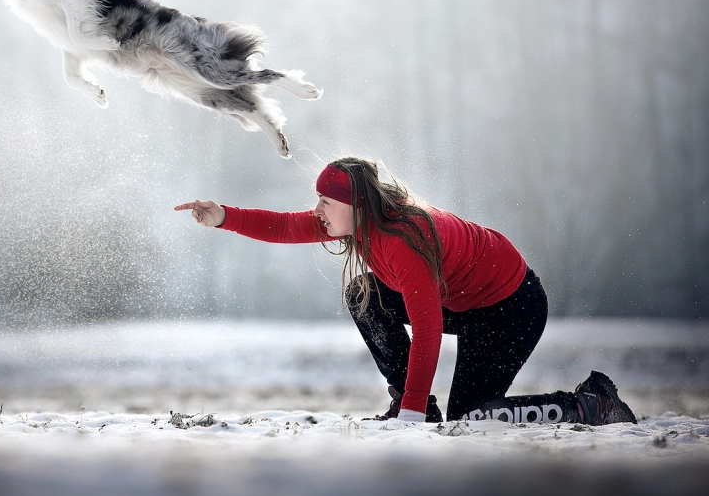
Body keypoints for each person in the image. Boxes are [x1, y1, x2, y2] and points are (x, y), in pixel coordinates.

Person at [174, 157, 637, 425]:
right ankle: (410, 401)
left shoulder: (400, 241)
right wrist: (224, 216)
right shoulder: (362, 221)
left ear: (357, 205)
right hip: (466, 301)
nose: (316, 210)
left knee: (472, 421)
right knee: (363, 293)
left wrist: (415, 413)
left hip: (510, 307)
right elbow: (284, 226)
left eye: (325, 202)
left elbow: (429, 330)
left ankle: (590, 402)